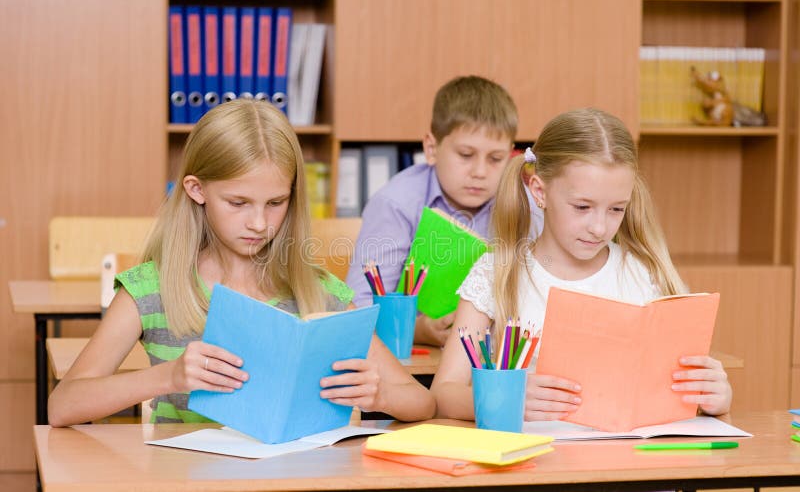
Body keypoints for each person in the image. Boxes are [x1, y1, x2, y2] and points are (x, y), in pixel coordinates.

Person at [48, 100, 435, 427]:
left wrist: (379, 394)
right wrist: (166, 377)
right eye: (237, 203)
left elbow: (421, 401)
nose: (259, 223)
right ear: (196, 190)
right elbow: (63, 406)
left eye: (275, 203)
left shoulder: (318, 293)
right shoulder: (151, 290)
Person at [431, 107, 732, 421]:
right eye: (582, 207)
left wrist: (717, 396)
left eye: (616, 209)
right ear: (539, 192)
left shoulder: (646, 274)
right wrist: (505, 401)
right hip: (537, 462)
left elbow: (689, 389)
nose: (599, 228)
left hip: (633, 461)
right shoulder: (498, 272)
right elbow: (442, 394)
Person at [345, 75, 543, 346]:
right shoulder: (396, 203)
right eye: (465, 155)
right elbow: (359, 308)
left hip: (494, 358)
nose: (480, 172)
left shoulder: (525, 204)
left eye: (496, 159)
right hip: (413, 359)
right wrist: (417, 330)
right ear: (431, 148)